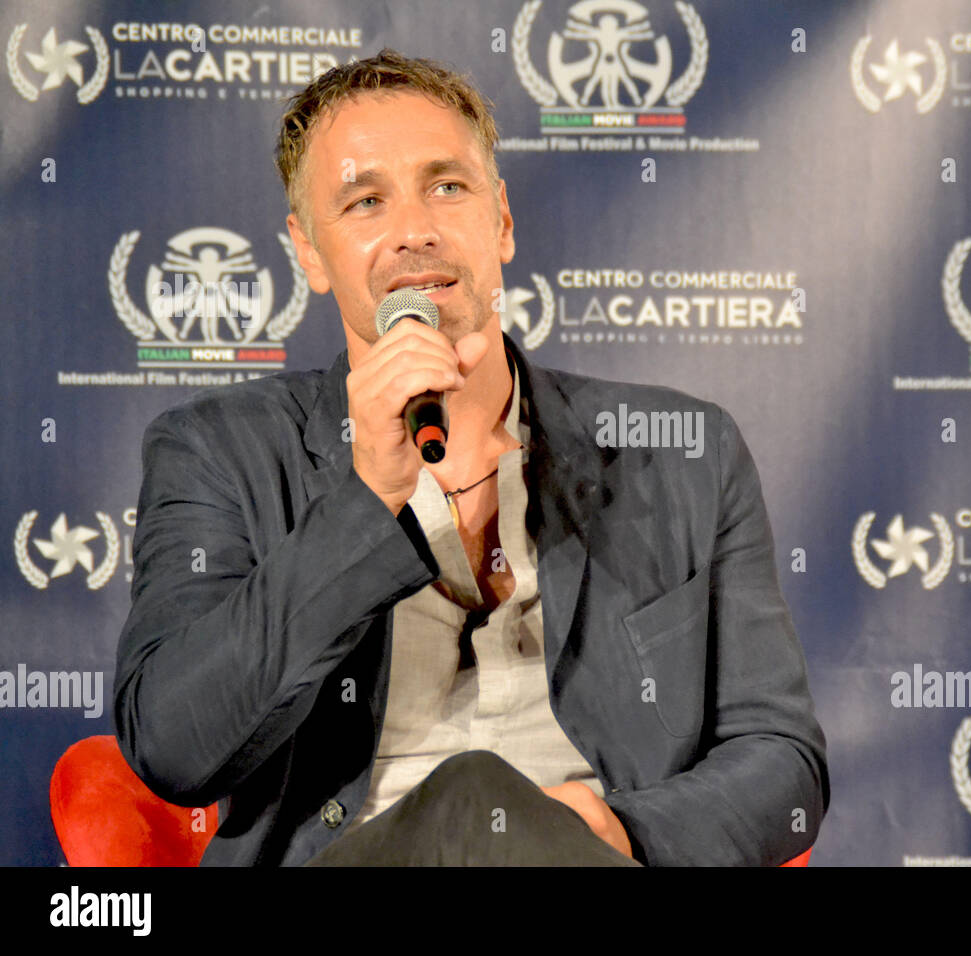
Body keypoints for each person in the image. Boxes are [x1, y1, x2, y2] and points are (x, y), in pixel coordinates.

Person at [113, 50, 828, 867]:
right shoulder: (217, 450)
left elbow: (782, 761)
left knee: (495, 810)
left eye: (447, 186)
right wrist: (367, 501)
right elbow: (173, 747)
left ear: (503, 222)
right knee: (471, 800)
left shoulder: (682, 453)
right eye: (365, 200)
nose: (413, 229)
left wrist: (618, 826)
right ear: (309, 254)